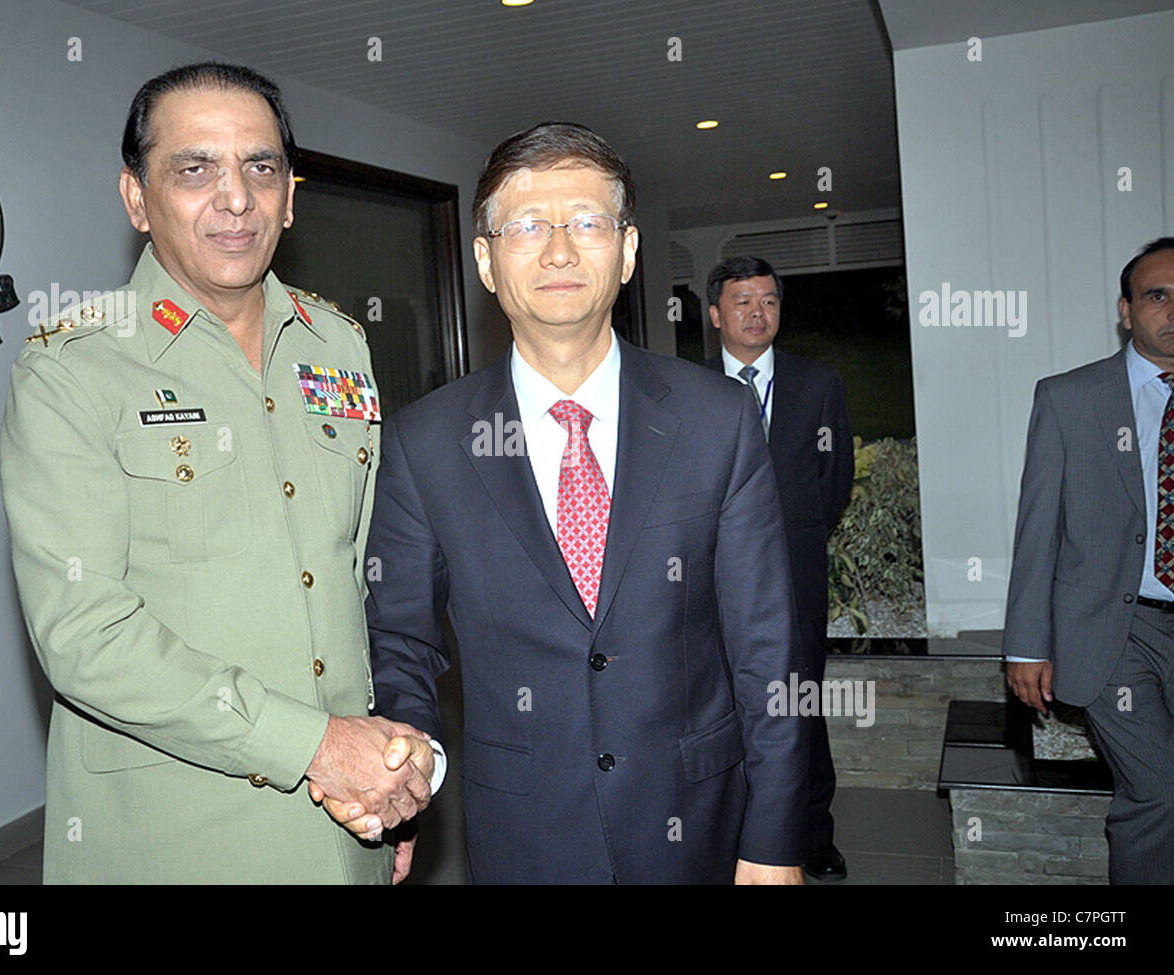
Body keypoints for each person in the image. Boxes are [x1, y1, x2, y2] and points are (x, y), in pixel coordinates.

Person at [0, 61, 436, 884]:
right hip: (179, 834)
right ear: (136, 197)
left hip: (345, 817)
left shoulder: (337, 345)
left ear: (291, 195)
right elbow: (84, 635)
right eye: (194, 168)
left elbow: (353, 579)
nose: (236, 197)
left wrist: (387, 773)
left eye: (261, 167)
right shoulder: (73, 370)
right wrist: (314, 746)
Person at [351, 122, 806, 884]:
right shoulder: (423, 443)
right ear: (485, 261)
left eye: (587, 222)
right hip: (524, 833)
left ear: (627, 251)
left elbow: (767, 649)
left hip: (699, 827)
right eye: (527, 225)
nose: (559, 250)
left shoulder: (716, 420)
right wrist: (409, 763)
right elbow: (402, 644)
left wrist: (775, 836)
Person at [1005, 236, 1174, 885]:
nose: (1173, 310)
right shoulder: (1069, 397)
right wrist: (1026, 645)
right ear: (1126, 310)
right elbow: (1037, 527)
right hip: (1113, 631)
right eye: (1157, 295)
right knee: (1159, 790)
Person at [702, 256, 854, 881]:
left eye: (768, 301)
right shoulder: (689, 390)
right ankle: (724, 834)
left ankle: (811, 836)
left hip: (794, 581)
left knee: (797, 706)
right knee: (717, 710)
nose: (757, 313)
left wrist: (780, 541)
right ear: (716, 315)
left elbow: (834, 482)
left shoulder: (817, 384)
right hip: (703, 582)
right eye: (743, 302)